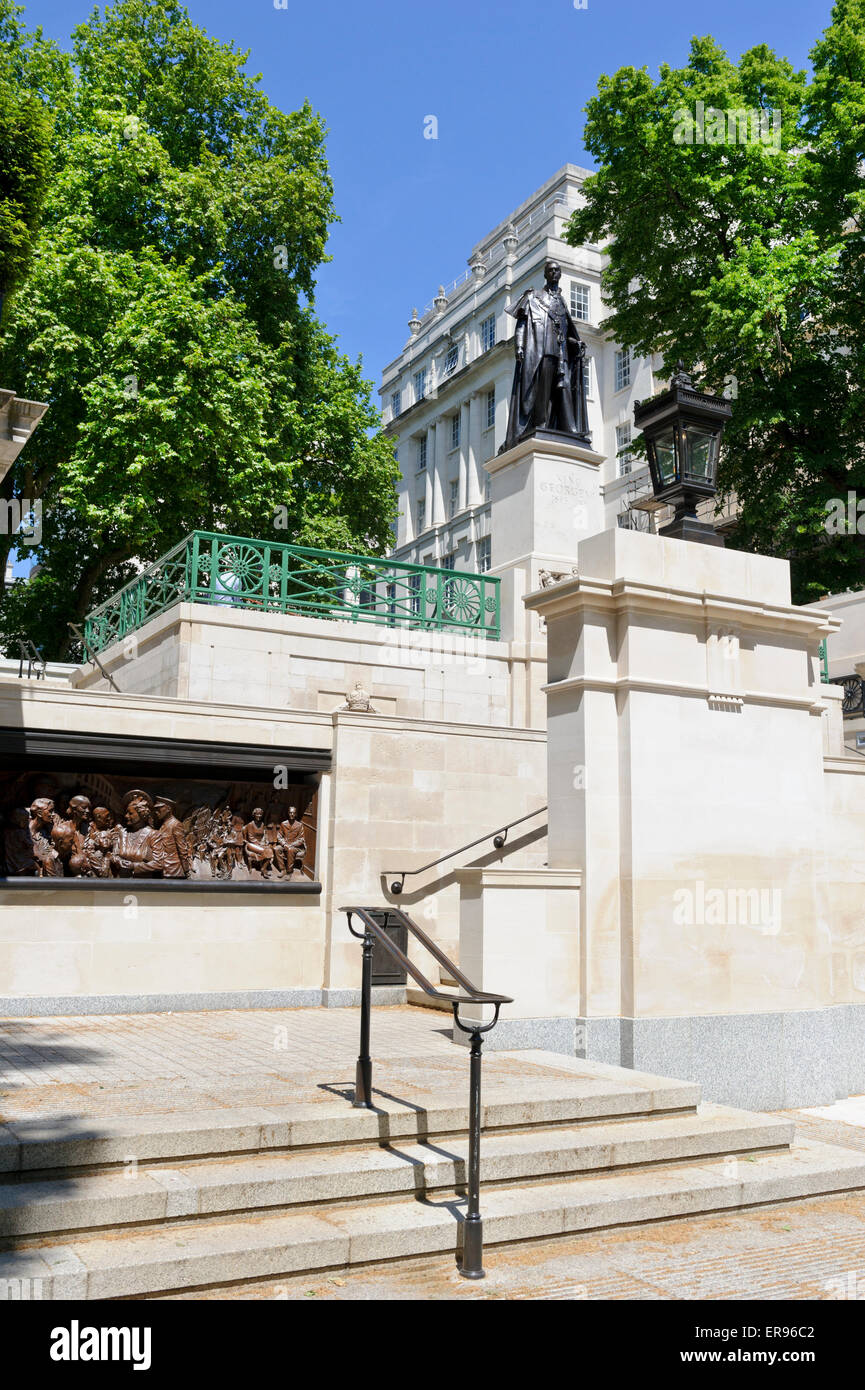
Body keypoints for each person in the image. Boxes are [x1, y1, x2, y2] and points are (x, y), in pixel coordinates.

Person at [502, 259, 591, 451]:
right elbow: (522, 325)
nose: (554, 273)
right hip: (543, 353)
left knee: (564, 389)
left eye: (557, 270)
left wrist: (577, 343)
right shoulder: (534, 297)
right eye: (551, 270)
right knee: (542, 391)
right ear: (545, 274)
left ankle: (570, 428)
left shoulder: (561, 302)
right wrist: (519, 347)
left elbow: (567, 333)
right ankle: (541, 425)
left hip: (562, 354)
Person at [152, 796, 190, 879]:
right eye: (156, 809)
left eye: (159, 809)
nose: (156, 812)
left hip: (173, 869)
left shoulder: (176, 824)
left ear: (168, 809)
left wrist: (186, 869)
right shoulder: (163, 825)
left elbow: (182, 849)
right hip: (164, 868)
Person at [275, 806, 306, 879]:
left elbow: (301, 839)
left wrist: (291, 845)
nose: (292, 814)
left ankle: (289, 872)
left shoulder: (299, 825)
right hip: (285, 845)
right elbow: (279, 836)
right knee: (276, 849)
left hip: (295, 847)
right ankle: (283, 870)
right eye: (290, 813)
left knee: (290, 850)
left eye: (293, 813)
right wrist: (284, 844)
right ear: (288, 813)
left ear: (296, 814)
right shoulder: (283, 824)